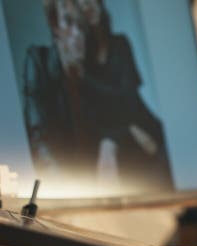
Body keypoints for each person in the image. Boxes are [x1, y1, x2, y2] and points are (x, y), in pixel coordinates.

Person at [23, 0, 173, 195]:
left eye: (81, 25)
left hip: (136, 126)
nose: (77, 33)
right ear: (55, 27)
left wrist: (111, 142)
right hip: (68, 188)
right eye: (68, 22)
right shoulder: (39, 61)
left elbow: (120, 109)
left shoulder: (105, 55)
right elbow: (39, 139)